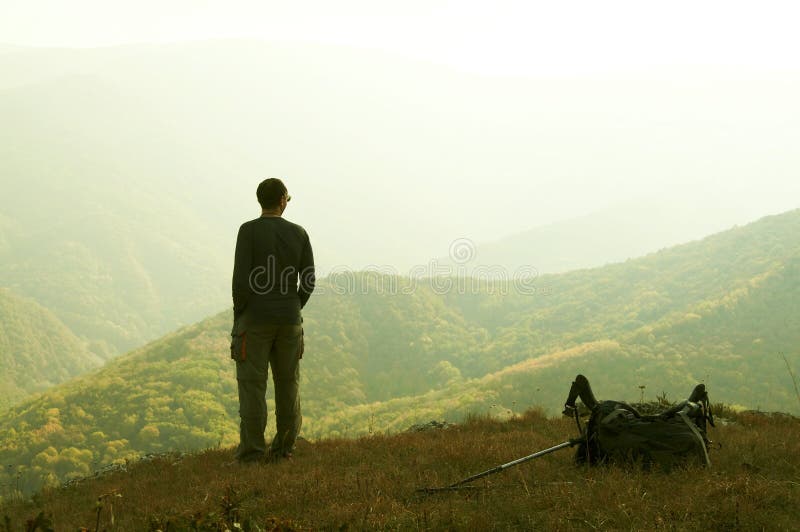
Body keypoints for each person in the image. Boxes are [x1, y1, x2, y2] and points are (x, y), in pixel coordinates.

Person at [231, 178, 315, 463]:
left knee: (253, 385)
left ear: (260, 201)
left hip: (254, 321)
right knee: (288, 383)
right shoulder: (299, 233)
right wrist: (294, 305)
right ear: (282, 201)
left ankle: (253, 452)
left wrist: (240, 316)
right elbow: (309, 280)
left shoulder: (248, 231)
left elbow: (240, 281)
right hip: (289, 321)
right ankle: (284, 448)